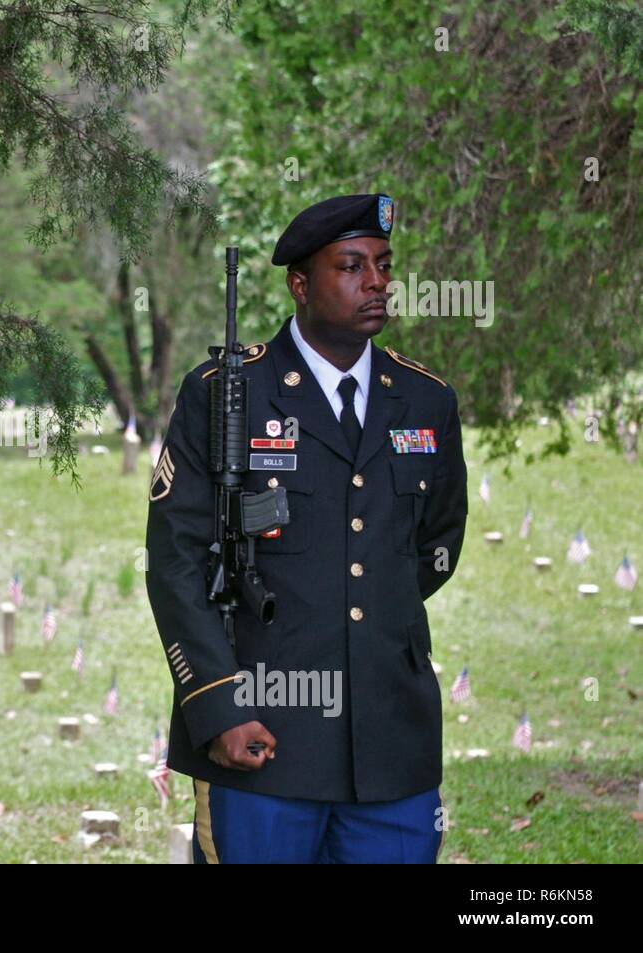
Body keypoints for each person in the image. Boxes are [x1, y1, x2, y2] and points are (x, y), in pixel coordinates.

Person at [146, 193, 467, 863]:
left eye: (383, 265)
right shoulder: (227, 392)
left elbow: (435, 544)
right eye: (351, 265)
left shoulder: (426, 400)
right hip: (264, 734)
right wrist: (217, 705)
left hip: (392, 744)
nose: (375, 282)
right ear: (300, 283)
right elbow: (175, 561)